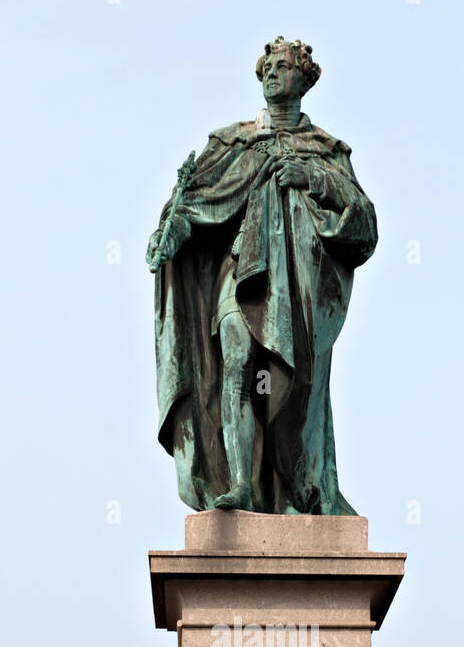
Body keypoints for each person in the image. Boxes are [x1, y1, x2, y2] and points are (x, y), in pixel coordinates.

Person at [146, 37, 378, 515]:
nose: (273, 72)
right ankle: (240, 486)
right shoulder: (231, 142)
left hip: (291, 291)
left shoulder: (325, 151)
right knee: (235, 363)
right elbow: (193, 203)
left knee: (275, 383)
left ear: (305, 79)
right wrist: (173, 229)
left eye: (284, 65)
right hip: (239, 269)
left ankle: (290, 483)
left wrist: (312, 179)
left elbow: (364, 223)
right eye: (267, 66)